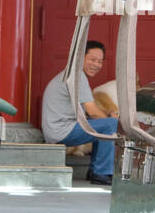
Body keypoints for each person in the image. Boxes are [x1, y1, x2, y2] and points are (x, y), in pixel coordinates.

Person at [41, 40, 117, 186]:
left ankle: (95, 170)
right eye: (92, 59)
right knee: (110, 125)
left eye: (100, 61)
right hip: (61, 131)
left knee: (104, 125)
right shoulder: (77, 75)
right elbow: (92, 111)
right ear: (79, 58)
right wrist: (111, 120)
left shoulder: (73, 74)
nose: (96, 65)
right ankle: (101, 173)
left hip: (59, 130)